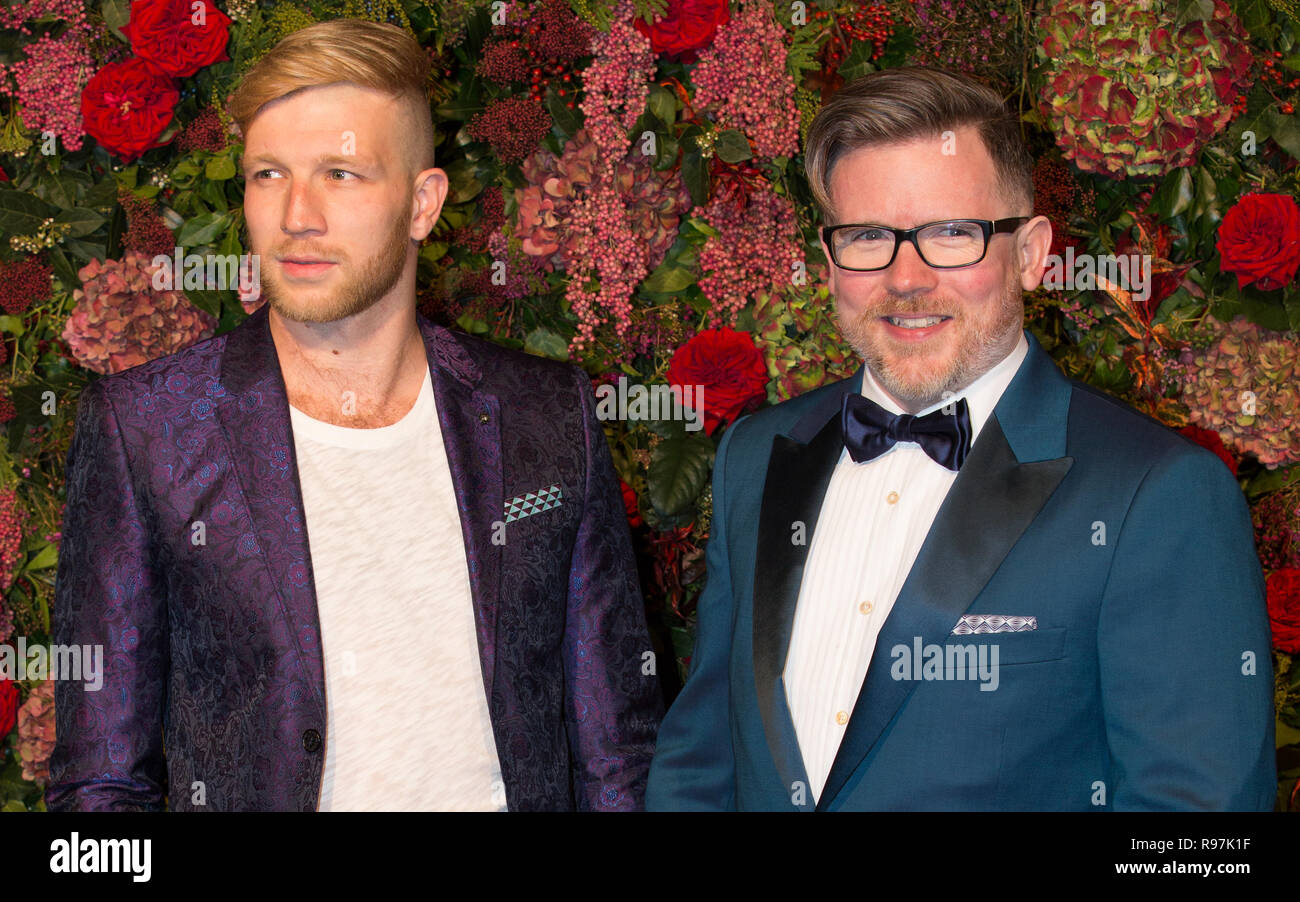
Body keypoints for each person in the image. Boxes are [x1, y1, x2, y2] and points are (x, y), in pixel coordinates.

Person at [47, 19, 661, 811]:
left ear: (422, 203)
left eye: (341, 173)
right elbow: (98, 787)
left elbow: (619, 757)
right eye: (268, 174)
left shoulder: (546, 413)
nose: (296, 214)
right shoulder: (148, 429)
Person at [646, 67, 1275, 811]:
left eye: (951, 233)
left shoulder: (1159, 493)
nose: (906, 277)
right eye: (869, 236)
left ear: (1033, 253)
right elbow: (703, 761)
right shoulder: (754, 456)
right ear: (829, 261)